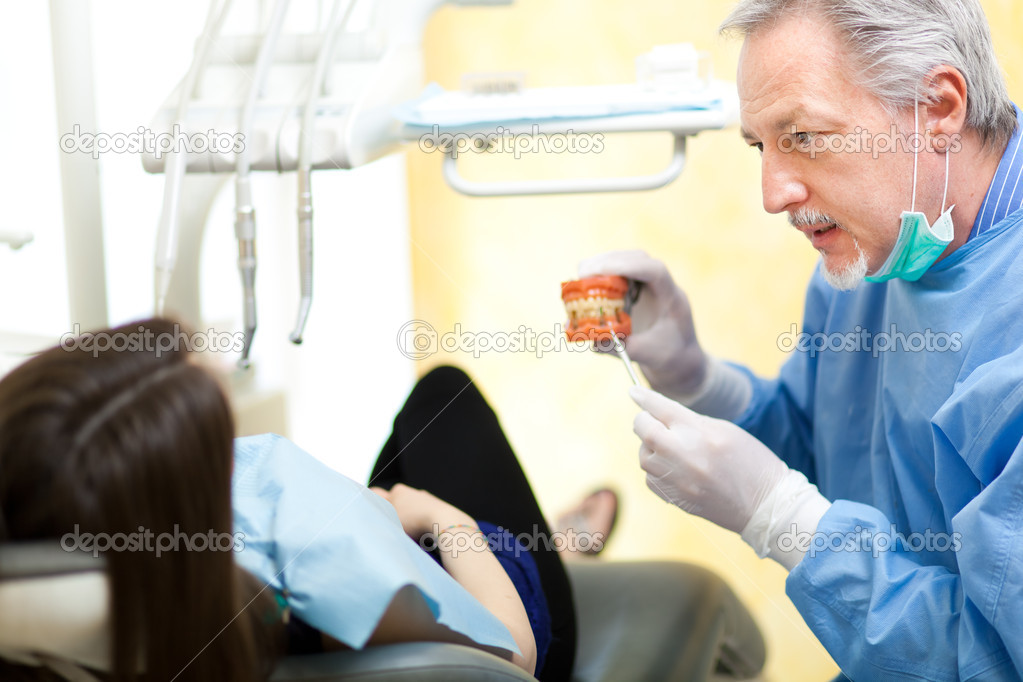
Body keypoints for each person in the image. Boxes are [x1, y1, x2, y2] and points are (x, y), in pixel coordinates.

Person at [579, 1, 1023, 679]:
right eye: (760, 146)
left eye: (804, 136)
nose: (773, 194)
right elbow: (829, 448)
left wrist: (780, 516)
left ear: (937, 109)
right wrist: (694, 377)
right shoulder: (880, 245)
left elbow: (995, 660)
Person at [0, 318, 591, 681]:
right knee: (443, 392)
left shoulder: (75, 560)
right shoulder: (317, 581)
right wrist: (438, 515)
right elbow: (515, 655)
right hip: (501, 592)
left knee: (411, 436)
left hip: (381, 540)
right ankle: (562, 548)